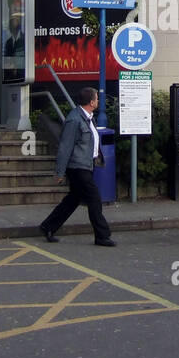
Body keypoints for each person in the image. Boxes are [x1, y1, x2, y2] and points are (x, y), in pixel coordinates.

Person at [37, 86, 115, 246]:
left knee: (73, 199)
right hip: (78, 167)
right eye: (97, 99)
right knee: (94, 198)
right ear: (92, 102)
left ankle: (48, 226)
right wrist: (59, 172)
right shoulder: (74, 119)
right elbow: (65, 147)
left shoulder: (88, 117)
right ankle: (102, 235)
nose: (98, 101)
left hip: (87, 164)